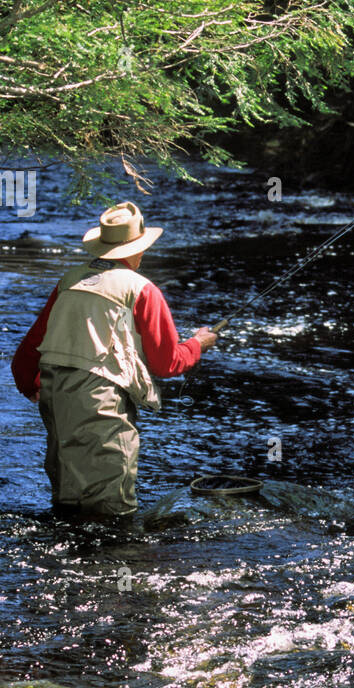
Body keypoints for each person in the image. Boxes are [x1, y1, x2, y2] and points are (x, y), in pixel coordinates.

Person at [12, 202, 216, 517]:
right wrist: (197, 344)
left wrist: (32, 385)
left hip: (55, 396)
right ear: (138, 248)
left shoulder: (70, 280)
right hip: (101, 400)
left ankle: (56, 562)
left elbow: (28, 351)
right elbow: (167, 364)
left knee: (68, 499)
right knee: (111, 508)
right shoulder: (142, 290)